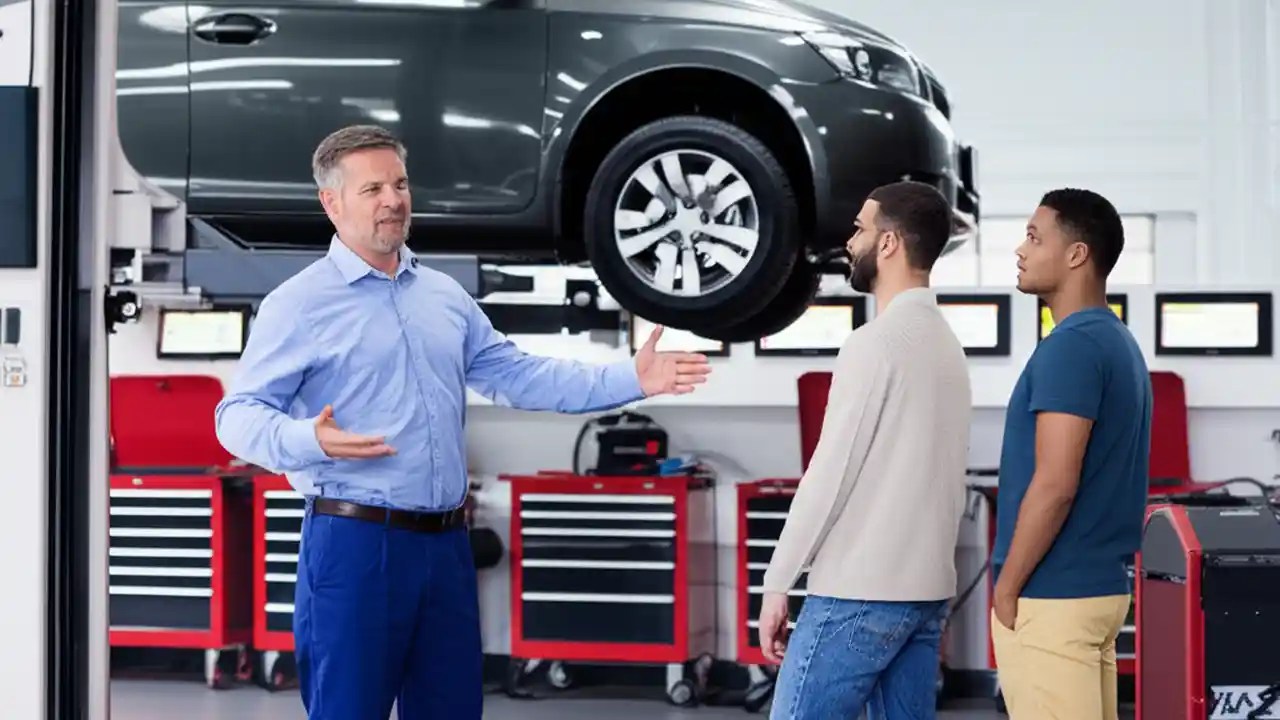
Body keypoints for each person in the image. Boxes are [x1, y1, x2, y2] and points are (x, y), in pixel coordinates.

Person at [212, 124, 712, 720]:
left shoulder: (443, 296)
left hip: (445, 547)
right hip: (355, 546)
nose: (394, 200)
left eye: (400, 184)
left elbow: (519, 375)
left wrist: (631, 379)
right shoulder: (298, 304)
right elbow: (235, 416)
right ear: (332, 202)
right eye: (372, 189)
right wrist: (307, 439)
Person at [757, 181, 973, 720]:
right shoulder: (947, 347)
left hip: (858, 594)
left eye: (860, 229)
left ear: (890, 243)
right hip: (924, 594)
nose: (850, 242)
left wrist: (778, 580)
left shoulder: (874, 344)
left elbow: (831, 473)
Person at [990, 188, 1151, 720]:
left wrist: (1007, 587)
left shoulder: (1072, 347)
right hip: (1097, 591)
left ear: (1077, 254)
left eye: (1034, 238)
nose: (1021, 250)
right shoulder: (1116, 341)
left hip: (1053, 596)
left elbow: (1056, 483)